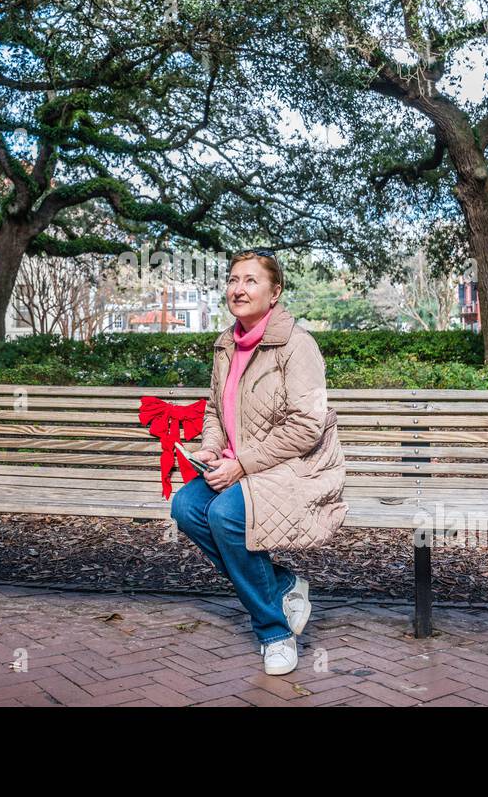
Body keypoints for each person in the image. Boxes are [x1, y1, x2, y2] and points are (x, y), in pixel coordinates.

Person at [170, 248, 348, 675]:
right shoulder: (225, 344)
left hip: (298, 466)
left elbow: (308, 426)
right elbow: (215, 409)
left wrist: (242, 464)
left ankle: (274, 632)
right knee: (187, 508)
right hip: (243, 463)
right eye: (233, 279)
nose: (238, 288)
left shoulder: (297, 345)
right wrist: (212, 448)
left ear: (275, 292)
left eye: (250, 280)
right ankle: (283, 583)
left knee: (227, 515)